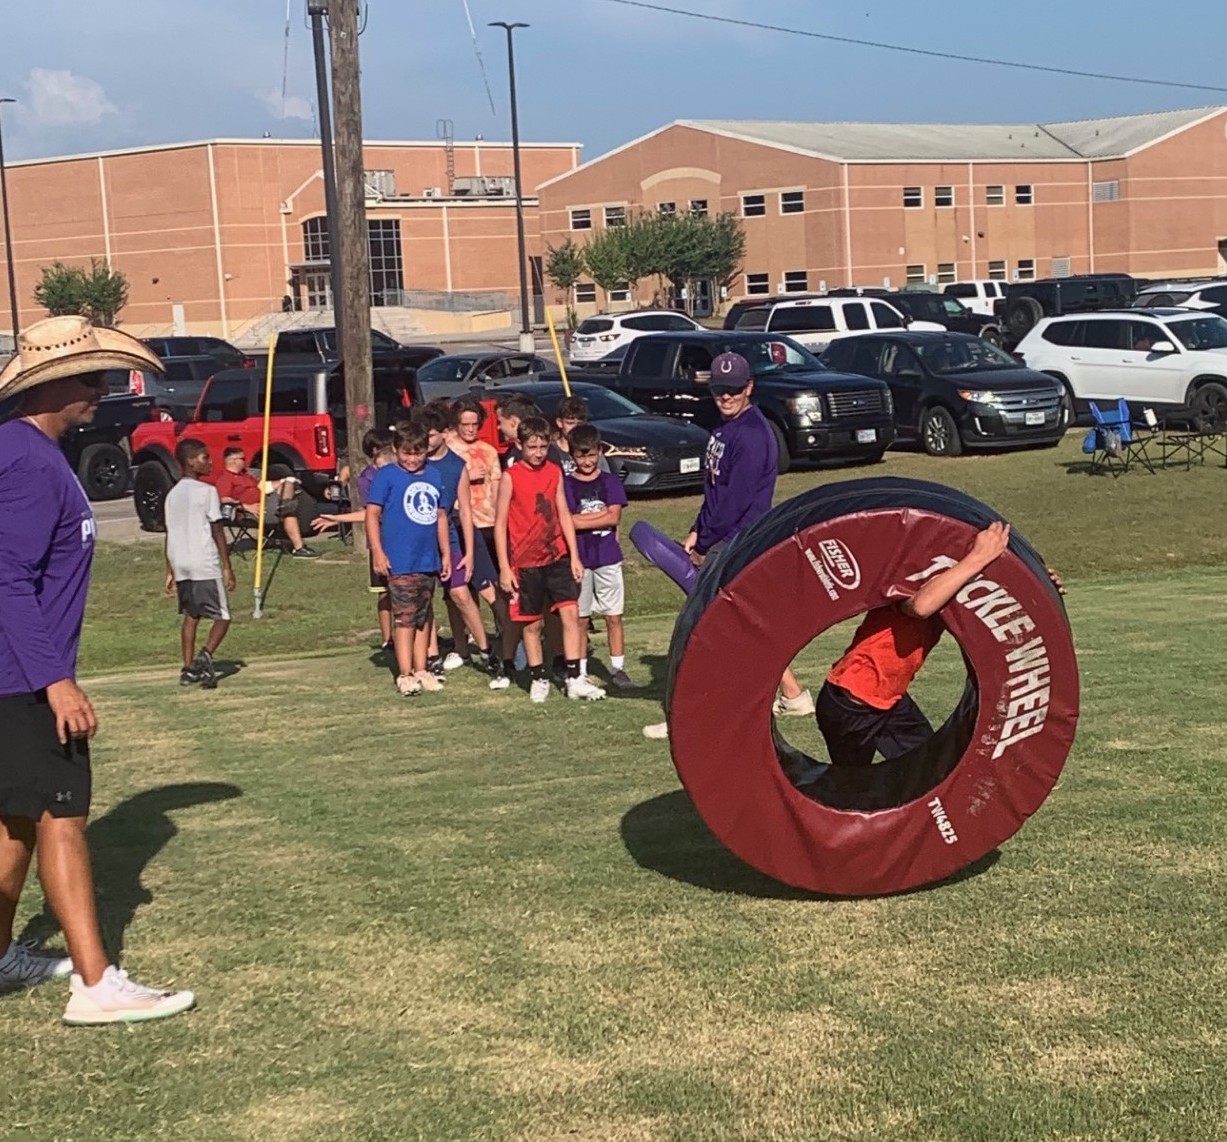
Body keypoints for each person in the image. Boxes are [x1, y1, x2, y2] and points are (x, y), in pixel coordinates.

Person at [0, 314, 195, 1024]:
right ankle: (95, 984)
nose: (103, 388)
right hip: (22, 678)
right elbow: (6, 577)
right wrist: (56, 680)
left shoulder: (32, 450)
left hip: (18, 674)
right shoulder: (25, 459)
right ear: (49, 385)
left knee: (17, 821)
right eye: (91, 376)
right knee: (62, 815)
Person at [643, 351, 812, 738]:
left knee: (707, 629)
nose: (726, 396)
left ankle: (691, 715)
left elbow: (735, 502)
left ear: (749, 387)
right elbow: (715, 492)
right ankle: (793, 695)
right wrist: (695, 530)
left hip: (739, 541)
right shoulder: (725, 428)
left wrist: (704, 543)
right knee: (744, 624)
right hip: (722, 537)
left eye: (733, 389)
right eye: (719, 389)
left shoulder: (751, 435)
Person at [817, 525, 1064, 767]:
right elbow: (920, 606)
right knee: (851, 783)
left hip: (891, 701)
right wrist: (978, 557)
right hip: (852, 701)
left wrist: (1038, 585)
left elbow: (989, 613)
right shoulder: (910, 573)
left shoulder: (954, 585)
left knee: (931, 769)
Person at [493, 416, 605, 703]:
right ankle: (538, 676)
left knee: (570, 614)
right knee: (532, 625)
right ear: (520, 445)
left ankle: (574, 677)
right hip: (525, 561)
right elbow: (500, 523)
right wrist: (504, 567)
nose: (538, 453)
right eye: (532, 447)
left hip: (557, 556)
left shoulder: (554, 472)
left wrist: (574, 556)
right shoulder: (510, 477)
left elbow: (563, 513)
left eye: (543, 447)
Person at [365, 420, 451, 696]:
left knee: (423, 616)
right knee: (405, 617)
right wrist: (378, 552)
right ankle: (405, 674)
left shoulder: (434, 475)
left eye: (418, 452)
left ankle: (421, 668)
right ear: (395, 449)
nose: (412, 459)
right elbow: (372, 514)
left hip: (427, 558)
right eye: (406, 452)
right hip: (399, 560)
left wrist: (445, 554)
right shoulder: (386, 476)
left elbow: (440, 516)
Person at [418, 401, 496, 675]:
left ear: (444, 433)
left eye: (430, 435)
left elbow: (464, 511)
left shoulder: (456, 464)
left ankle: (488, 650)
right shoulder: (416, 462)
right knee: (428, 598)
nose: (425, 442)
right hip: (422, 539)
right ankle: (434, 655)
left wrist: (470, 553)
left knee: (463, 593)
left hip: (456, 534)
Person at [564, 424, 634, 689]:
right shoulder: (566, 485)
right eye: (581, 456)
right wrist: (598, 516)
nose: (587, 462)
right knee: (581, 618)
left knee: (613, 616)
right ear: (572, 455)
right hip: (580, 559)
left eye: (592, 455)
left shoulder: (609, 482)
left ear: (599, 452)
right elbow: (567, 521)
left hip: (608, 557)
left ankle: (618, 668)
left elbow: (613, 517)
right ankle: (580, 670)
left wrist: (580, 520)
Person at [163, 439, 237, 689]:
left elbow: (170, 533)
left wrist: (170, 570)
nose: (211, 462)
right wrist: (226, 565)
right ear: (190, 462)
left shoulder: (172, 495)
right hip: (203, 561)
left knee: (191, 615)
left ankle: (187, 669)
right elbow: (217, 529)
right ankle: (204, 656)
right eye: (205, 458)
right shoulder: (207, 491)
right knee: (223, 616)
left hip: (180, 561)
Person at [315, 427, 396, 654]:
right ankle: (388, 638)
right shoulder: (368, 477)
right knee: (385, 592)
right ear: (374, 451)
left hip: (403, 540)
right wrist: (336, 518)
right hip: (381, 542)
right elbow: (370, 513)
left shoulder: (403, 470)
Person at [211, 447, 320, 559]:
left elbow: (263, 486)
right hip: (250, 512)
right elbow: (223, 499)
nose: (245, 461)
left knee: (287, 484)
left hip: (266, 503)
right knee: (288, 513)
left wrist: (284, 481)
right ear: (233, 461)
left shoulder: (245, 475)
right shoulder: (226, 478)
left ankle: (285, 505)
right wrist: (246, 507)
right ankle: (299, 548)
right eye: (242, 459)